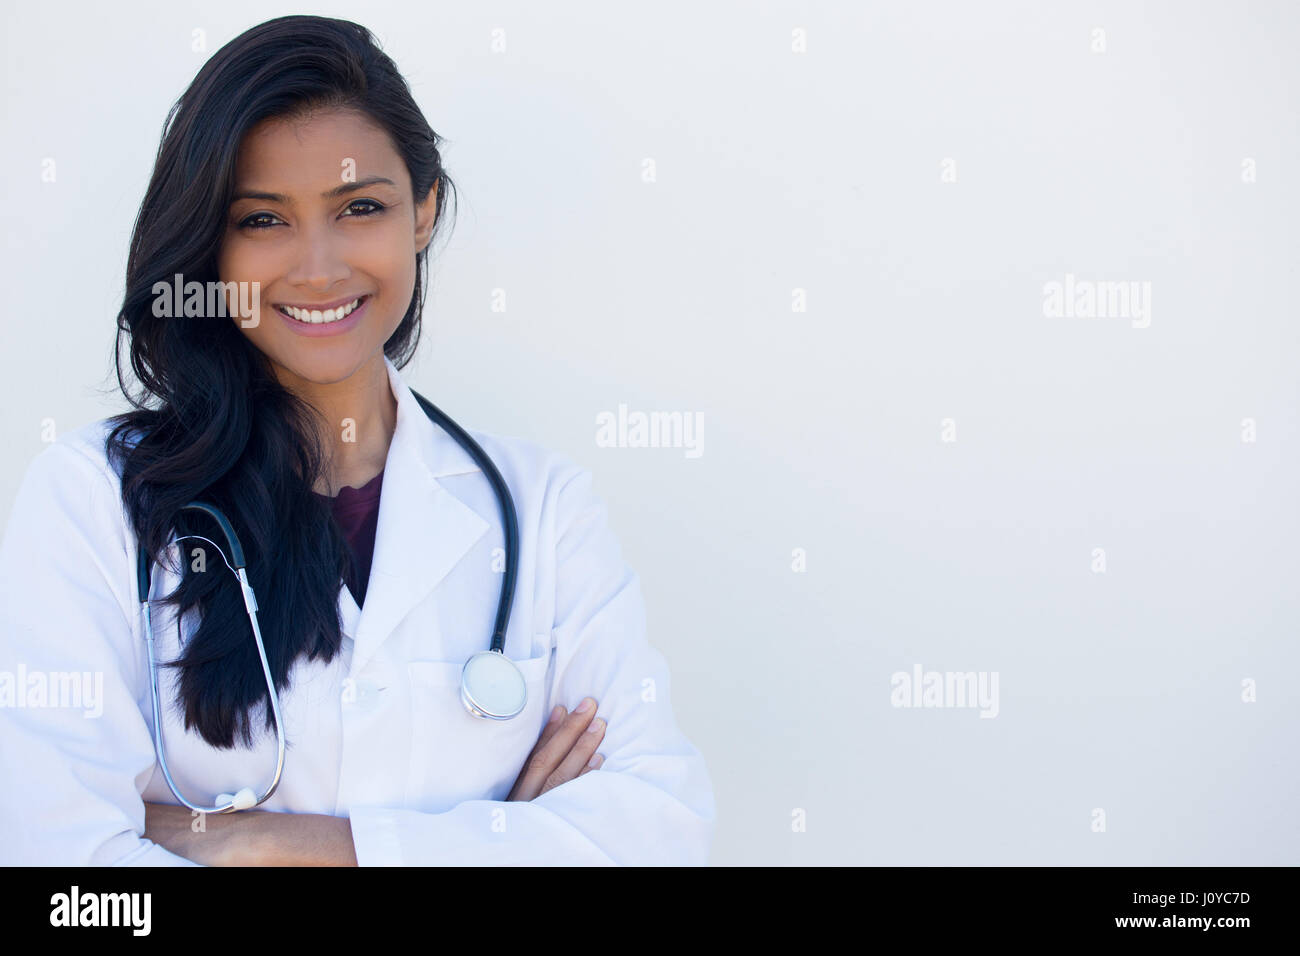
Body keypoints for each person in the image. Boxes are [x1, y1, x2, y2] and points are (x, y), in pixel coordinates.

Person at [0, 14, 714, 866]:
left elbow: (661, 833)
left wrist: (264, 845)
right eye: (263, 221)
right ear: (210, 248)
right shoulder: (91, 501)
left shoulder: (545, 508)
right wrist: (498, 840)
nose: (319, 268)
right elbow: (65, 876)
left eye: (360, 208)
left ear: (424, 211)